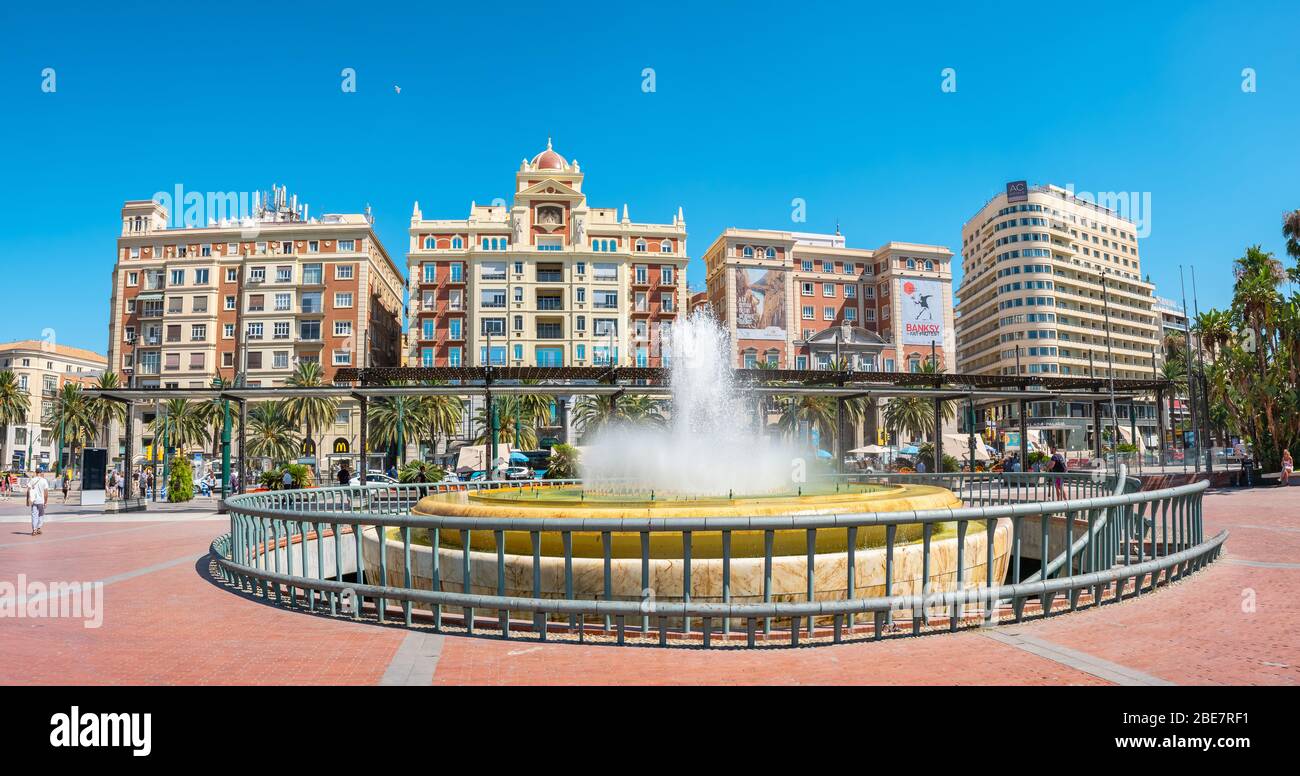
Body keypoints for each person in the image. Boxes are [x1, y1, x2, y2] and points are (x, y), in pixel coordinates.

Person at [28, 472, 50, 536]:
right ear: (41, 473)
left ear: (36, 472)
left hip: (34, 501)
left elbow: (28, 489)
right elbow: (46, 492)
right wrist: (46, 502)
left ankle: (34, 530)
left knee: (34, 515)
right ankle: (39, 528)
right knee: (41, 515)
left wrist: (28, 499)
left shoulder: (32, 480)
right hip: (41, 501)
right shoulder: (44, 481)